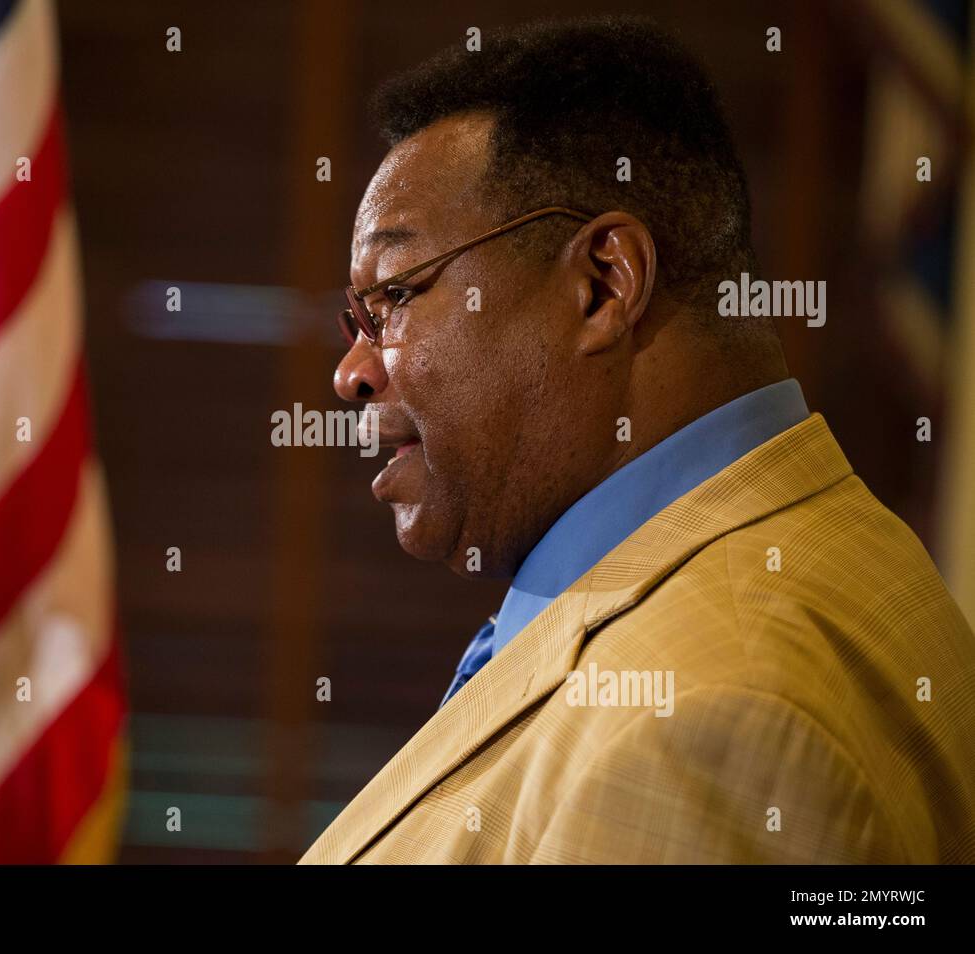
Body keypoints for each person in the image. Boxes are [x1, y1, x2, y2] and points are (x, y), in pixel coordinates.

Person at [301, 15, 975, 864]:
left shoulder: (709, 715)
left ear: (603, 285)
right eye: (355, 318)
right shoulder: (820, 550)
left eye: (395, 295)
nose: (352, 373)